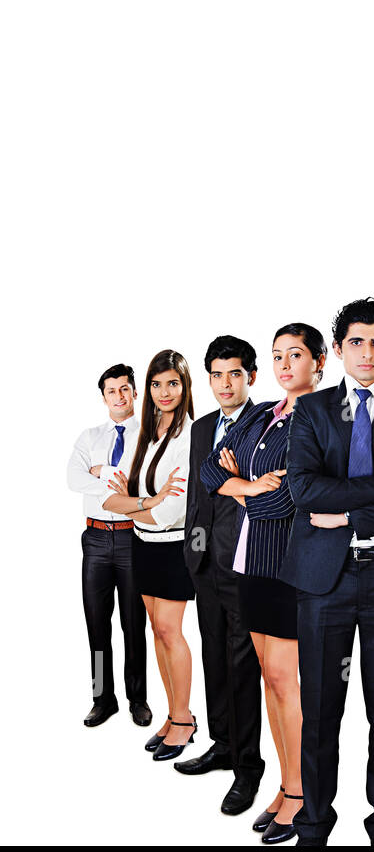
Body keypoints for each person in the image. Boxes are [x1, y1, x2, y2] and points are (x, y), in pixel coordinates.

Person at [280, 298, 374, 846]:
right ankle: (313, 825)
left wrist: (351, 513)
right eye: (356, 341)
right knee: (320, 710)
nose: (367, 352)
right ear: (337, 350)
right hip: (322, 580)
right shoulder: (311, 410)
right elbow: (302, 488)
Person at [201, 323, 327, 844]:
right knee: (271, 680)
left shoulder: (324, 418)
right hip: (251, 562)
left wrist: (246, 490)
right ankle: (287, 783)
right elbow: (211, 469)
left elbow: (287, 500)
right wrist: (249, 486)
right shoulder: (261, 415)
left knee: (285, 680)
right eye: (277, 355)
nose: (284, 364)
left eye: (295, 355)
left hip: (292, 565)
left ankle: (300, 793)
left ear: (320, 361)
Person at [177, 336, 266, 817]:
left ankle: (248, 768)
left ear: (251, 376)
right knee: (214, 654)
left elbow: (260, 491)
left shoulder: (265, 422)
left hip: (244, 559)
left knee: (242, 663)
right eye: (216, 374)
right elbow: (197, 493)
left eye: (235, 373)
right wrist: (190, 552)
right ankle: (223, 744)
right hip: (204, 560)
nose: (225, 383)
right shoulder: (202, 427)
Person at [100, 349, 197, 761]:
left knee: (170, 632)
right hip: (143, 544)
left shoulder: (188, 435)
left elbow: (170, 510)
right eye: (156, 384)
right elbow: (109, 500)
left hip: (173, 548)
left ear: (184, 385)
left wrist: (136, 503)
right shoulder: (147, 431)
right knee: (156, 631)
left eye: (172, 383)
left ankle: (184, 719)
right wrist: (146, 502)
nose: (163, 392)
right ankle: (175, 716)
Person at [67, 364, 150, 729]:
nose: (119, 395)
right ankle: (103, 698)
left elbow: (144, 486)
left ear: (134, 394)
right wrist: (103, 476)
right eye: (112, 390)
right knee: (96, 625)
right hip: (97, 541)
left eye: (125, 389)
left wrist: (105, 480)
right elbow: (73, 478)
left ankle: (138, 699)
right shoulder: (89, 437)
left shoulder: (148, 436)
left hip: (134, 538)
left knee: (135, 624)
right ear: (103, 397)